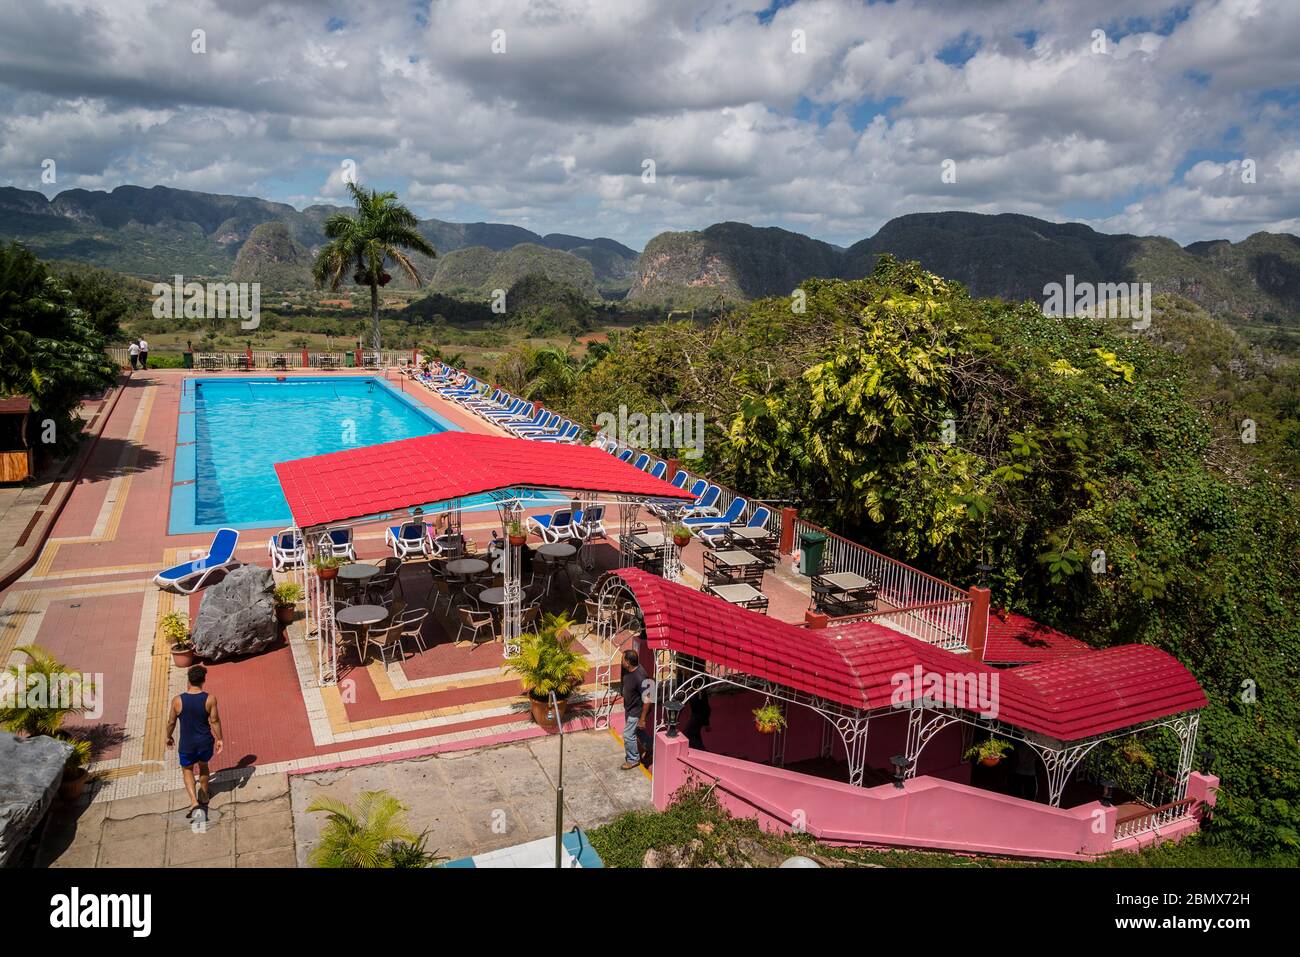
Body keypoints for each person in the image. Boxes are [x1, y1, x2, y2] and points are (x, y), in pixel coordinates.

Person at [165, 665, 224, 816]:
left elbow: (171, 722)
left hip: (187, 744)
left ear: (189, 680)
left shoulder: (177, 701)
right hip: (205, 741)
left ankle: (193, 801)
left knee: (187, 769)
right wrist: (220, 738)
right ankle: (204, 795)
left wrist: (168, 736)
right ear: (203, 681)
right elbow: (215, 720)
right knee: (204, 766)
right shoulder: (210, 699)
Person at [618, 649, 655, 770]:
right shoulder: (628, 670)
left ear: (628, 662)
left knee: (628, 735)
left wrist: (642, 718)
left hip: (636, 711)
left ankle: (633, 759)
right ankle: (650, 748)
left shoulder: (640, 676)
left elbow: (648, 698)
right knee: (638, 732)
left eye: (622, 659)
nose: (621, 661)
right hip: (630, 708)